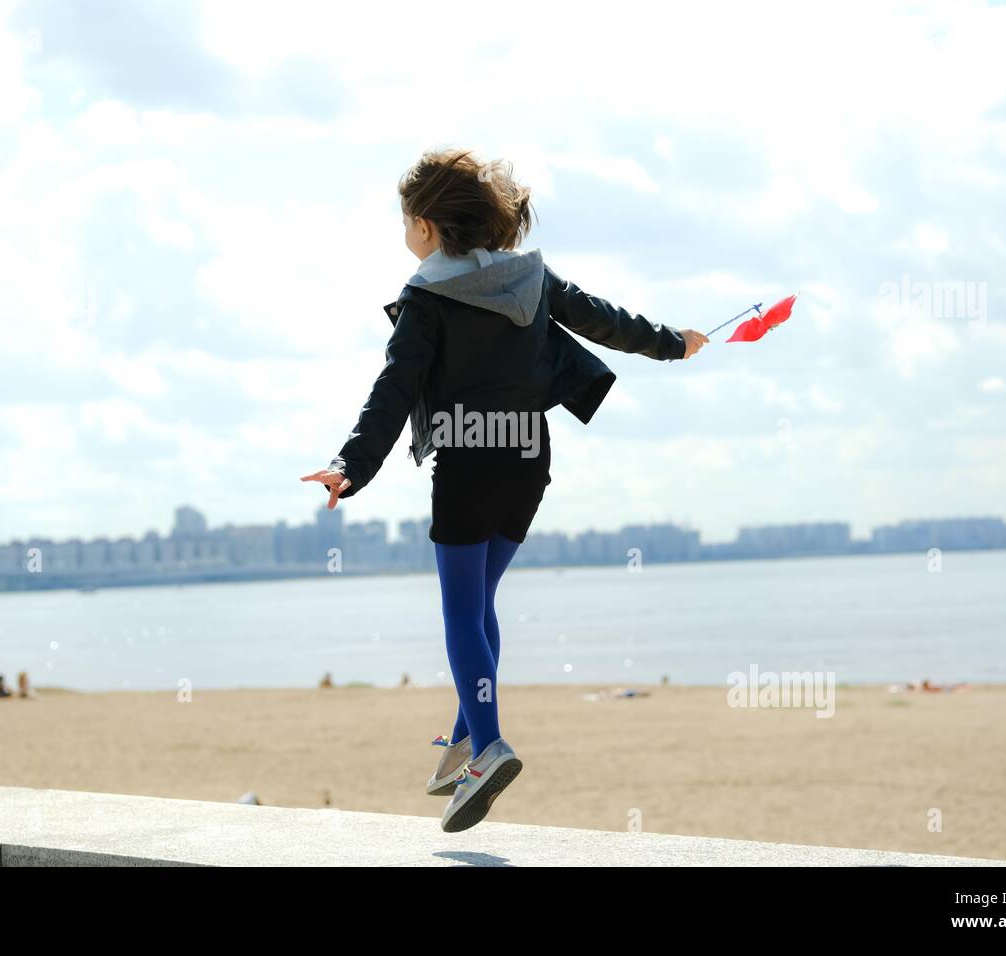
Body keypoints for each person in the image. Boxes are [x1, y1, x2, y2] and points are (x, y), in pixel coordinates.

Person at [301, 147, 709, 832]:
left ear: (428, 227)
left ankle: (487, 746)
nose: (403, 234)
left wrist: (351, 464)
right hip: (528, 455)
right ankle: (464, 738)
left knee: (461, 611)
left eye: (405, 222)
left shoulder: (428, 299)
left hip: (467, 460)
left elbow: (394, 389)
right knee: (482, 602)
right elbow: (603, 318)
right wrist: (674, 343)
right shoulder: (532, 279)